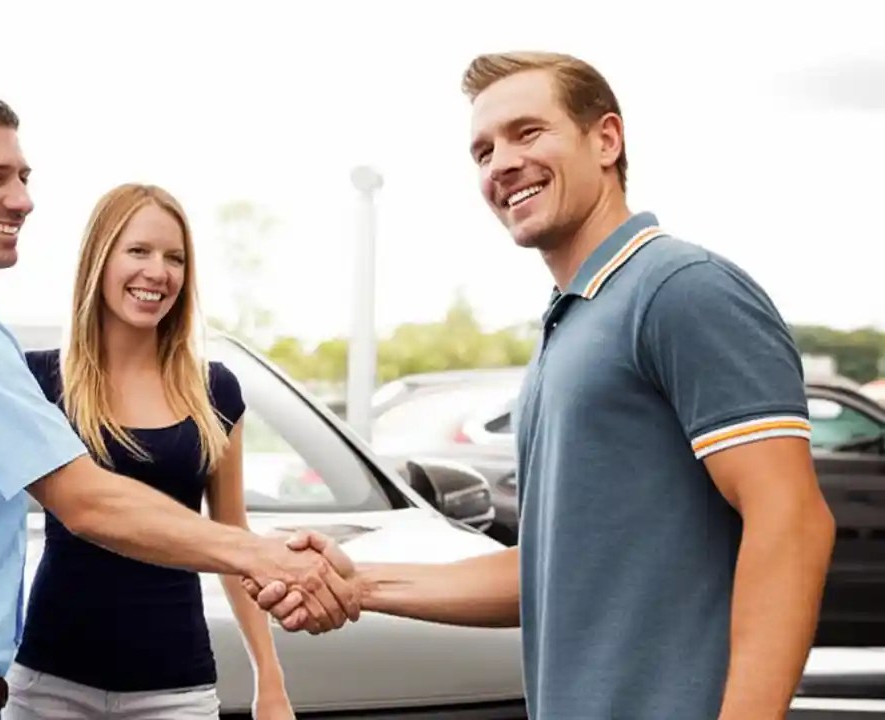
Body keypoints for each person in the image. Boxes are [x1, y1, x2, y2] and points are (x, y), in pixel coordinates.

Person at [248, 52, 837, 719]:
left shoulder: (679, 290)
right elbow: (548, 572)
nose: (500, 164)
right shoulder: (574, 322)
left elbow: (791, 520)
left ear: (606, 140)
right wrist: (358, 584)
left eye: (527, 132)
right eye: (483, 151)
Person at [0, 95, 357, 720]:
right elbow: (87, 501)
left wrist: (269, 670)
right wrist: (265, 556)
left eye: (23, 177)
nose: (22, 200)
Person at [0, 183, 294, 719]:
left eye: (174, 258)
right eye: (138, 251)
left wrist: (270, 681)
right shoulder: (37, 381)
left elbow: (232, 538)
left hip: (175, 691)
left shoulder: (215, 390)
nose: (158, 272)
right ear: (99, 259)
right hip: (48, 684)